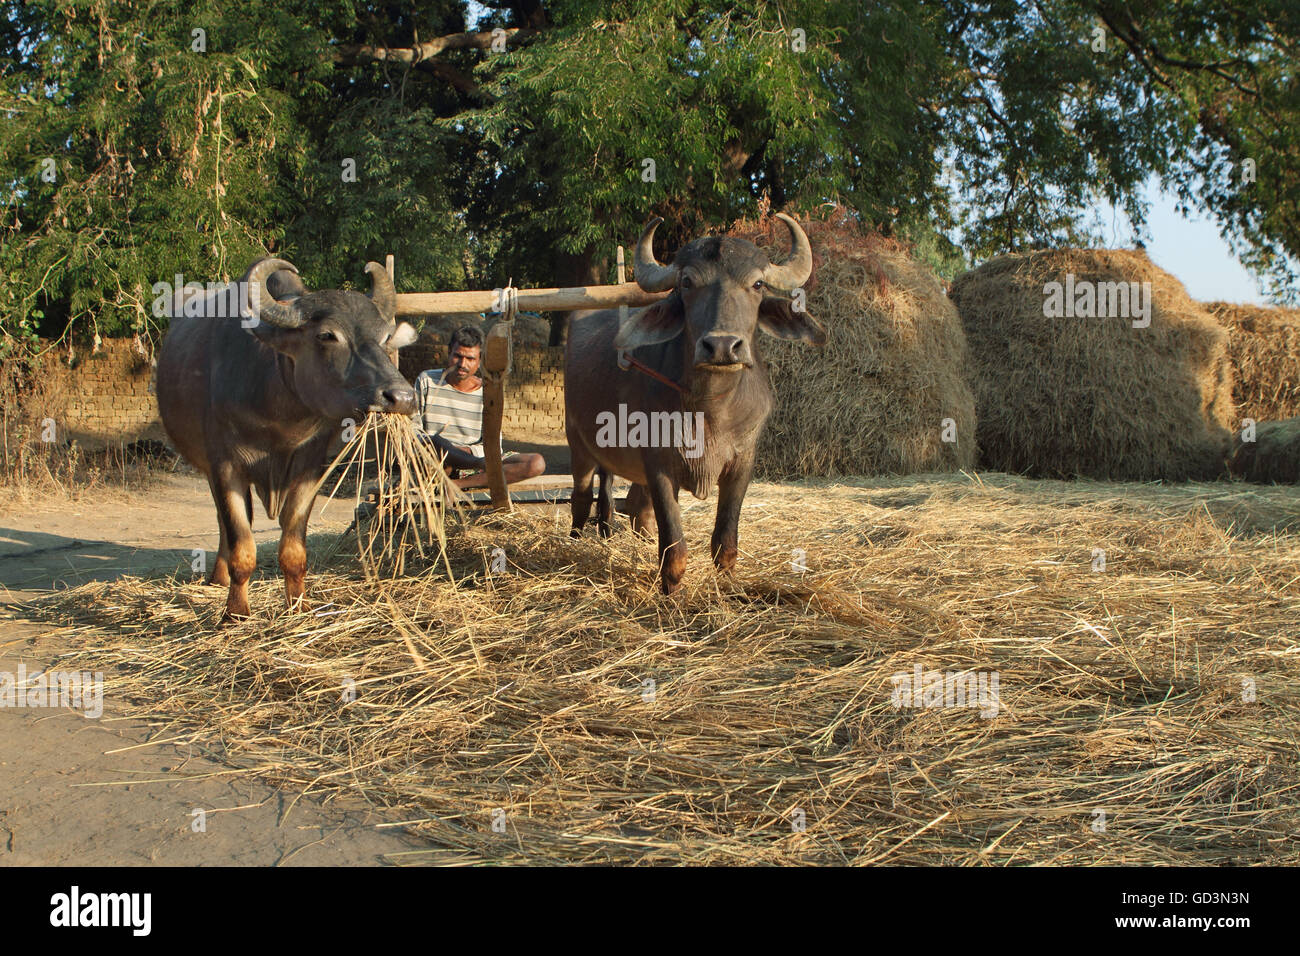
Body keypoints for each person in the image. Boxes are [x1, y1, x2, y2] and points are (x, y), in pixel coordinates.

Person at [411, 325, 545, 489]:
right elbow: (414, 429)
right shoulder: (427, 381)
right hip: (436, 460)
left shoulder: (487, 392)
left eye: (470, 359)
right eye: (457, 356)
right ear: (449, 352)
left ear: (480, 360)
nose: (462, 364)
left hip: (474, 465)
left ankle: (456, 485)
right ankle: (479, 467)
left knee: (536, 463)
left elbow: (493, 443)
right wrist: (449, 451)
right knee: (438, 442)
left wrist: (465, 453)